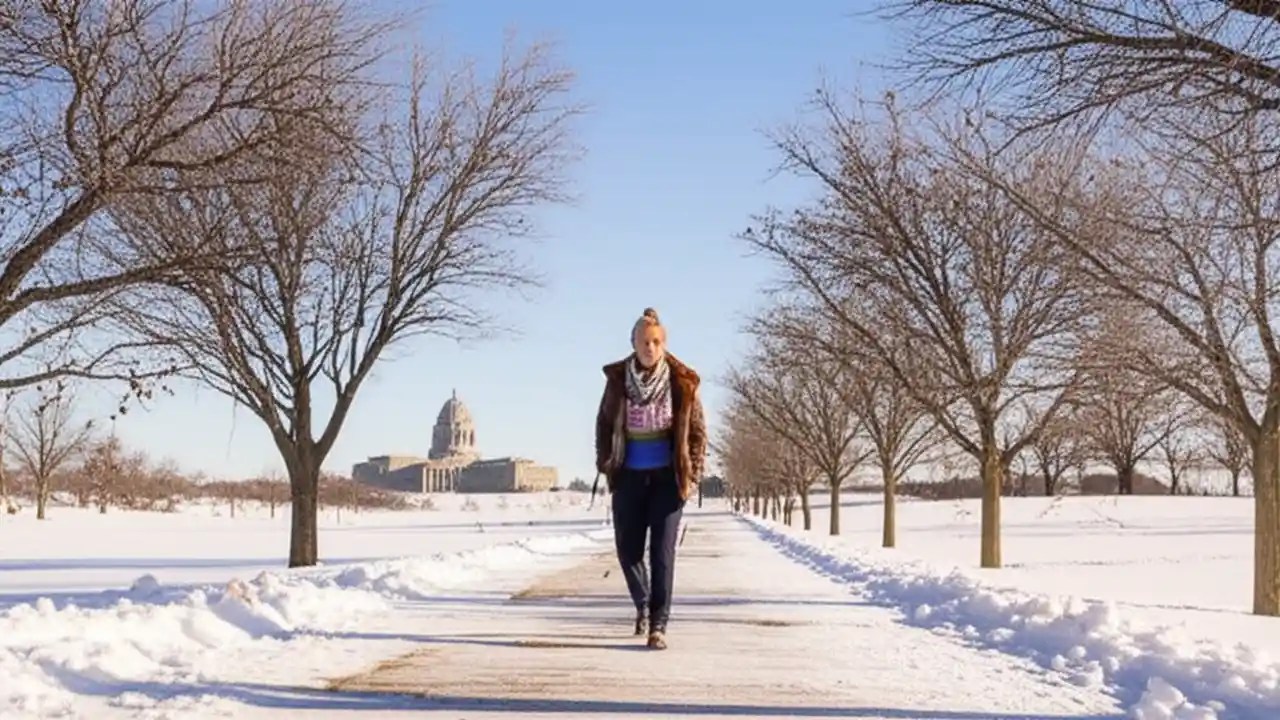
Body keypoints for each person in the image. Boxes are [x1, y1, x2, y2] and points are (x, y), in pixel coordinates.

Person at [594, 307, 706, 650]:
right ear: (633, 343)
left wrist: (692, 476)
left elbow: (698, 433)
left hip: (667, 479)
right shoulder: (618, 382)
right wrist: (606, 461)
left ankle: (658, 624)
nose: (650, 347)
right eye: (644, 341)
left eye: (656, 341)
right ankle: (641, 603)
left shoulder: (681, 383)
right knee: (628, 551)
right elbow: (603, 423)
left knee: (662, 553)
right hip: (628, 476)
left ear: (664, 344)